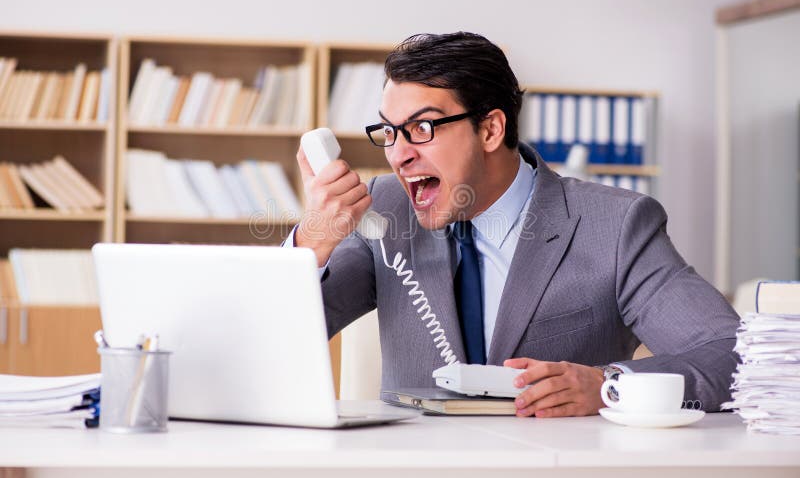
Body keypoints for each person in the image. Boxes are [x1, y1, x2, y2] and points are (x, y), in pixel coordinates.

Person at [291, 32, 740, 418]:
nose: (399, 154)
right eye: (389, 131)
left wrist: (609, 386)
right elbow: (273, 342)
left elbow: (733, 357)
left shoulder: (616, 225)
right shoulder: (384, 211)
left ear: (490, 130)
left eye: (422, 128)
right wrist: (312, 241)